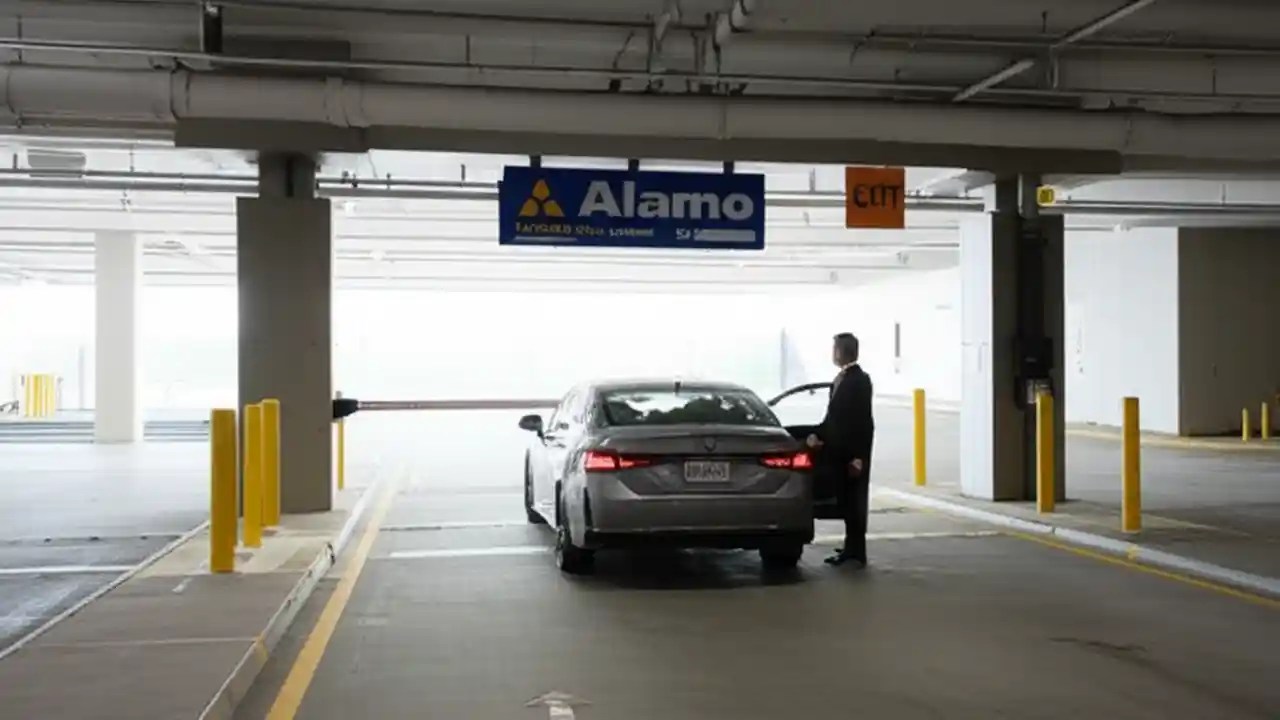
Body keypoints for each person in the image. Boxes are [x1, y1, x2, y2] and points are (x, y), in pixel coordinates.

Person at [806, 332, 875, 568]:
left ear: (842, 351)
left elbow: (863, 422)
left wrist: (858, 457)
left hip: (851, 453)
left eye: (834, 349)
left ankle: (857, 551)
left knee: (855, 502)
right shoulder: (842, 378)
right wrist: (818, 435)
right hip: (839, 451)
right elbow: (834, 418)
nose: (832, 353)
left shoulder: (859, 380)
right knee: (847, 501)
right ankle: (851, 546)